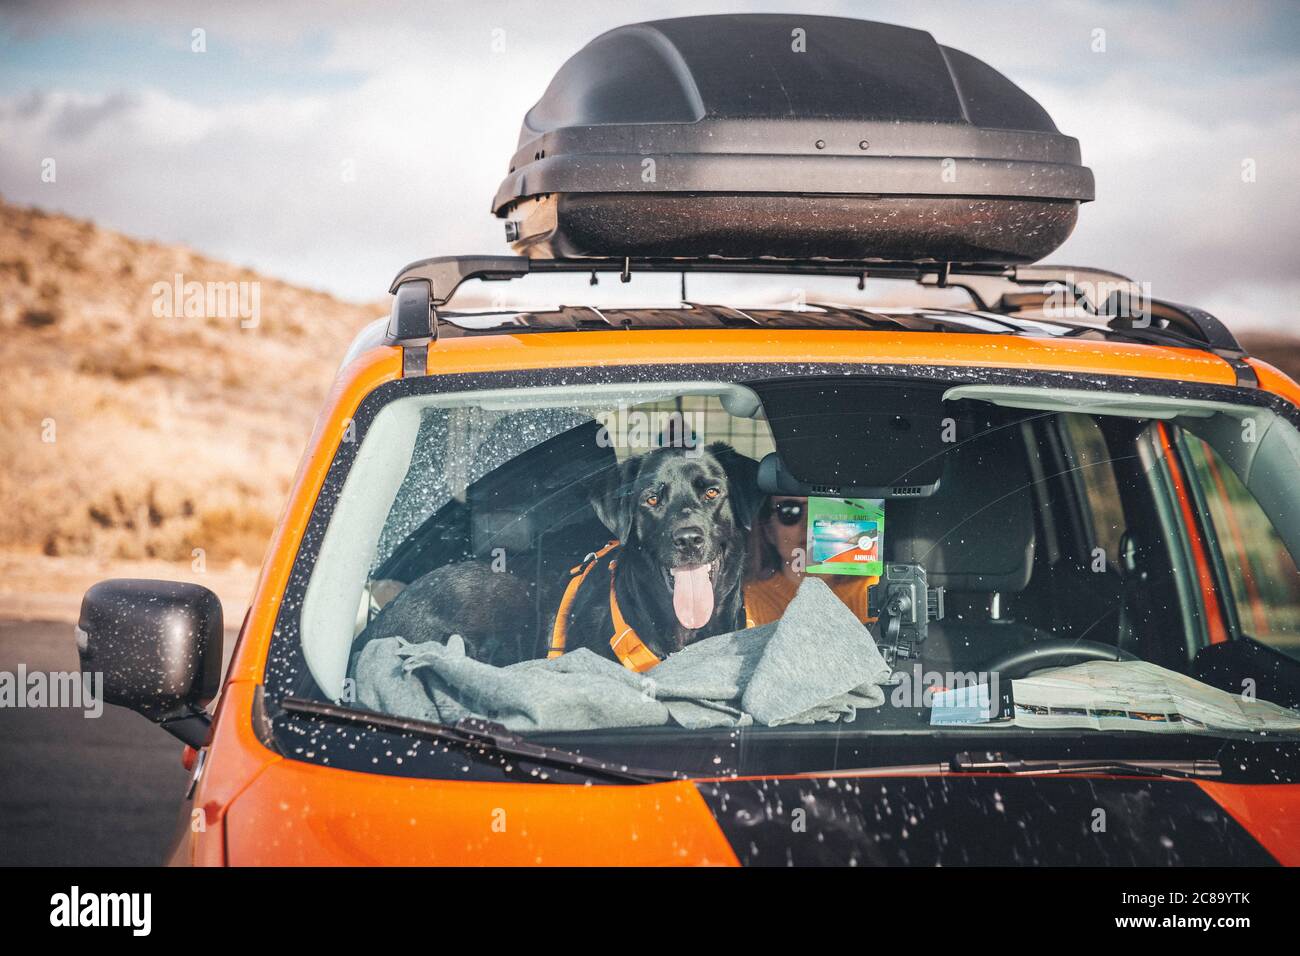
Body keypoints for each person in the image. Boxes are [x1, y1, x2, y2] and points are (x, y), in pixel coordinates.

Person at [743, 495, 877, 626]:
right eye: (789, 511)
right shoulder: (744, 602)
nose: (809, 524)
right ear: (769, 530)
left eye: (825, 508)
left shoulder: (879, 590)